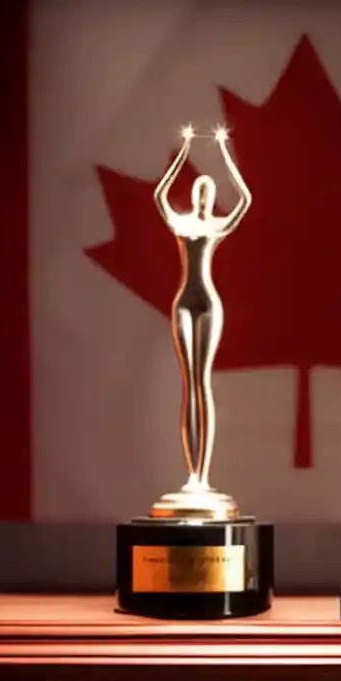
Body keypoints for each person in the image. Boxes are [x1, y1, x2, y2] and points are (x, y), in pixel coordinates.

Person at [153, 125, 251, 496]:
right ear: (195, 193)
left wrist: (225, 153)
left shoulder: (216, 225)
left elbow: (244, 201)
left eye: (210, 192)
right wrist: (185, 150)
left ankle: (203, 476)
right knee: (187, 384)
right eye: (201, 190)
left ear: (212, 198)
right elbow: (160, 195)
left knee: (202, 383)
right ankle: (192, 476)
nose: (205, 196)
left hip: (208, 301)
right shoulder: (181, 222)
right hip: (184, 300)